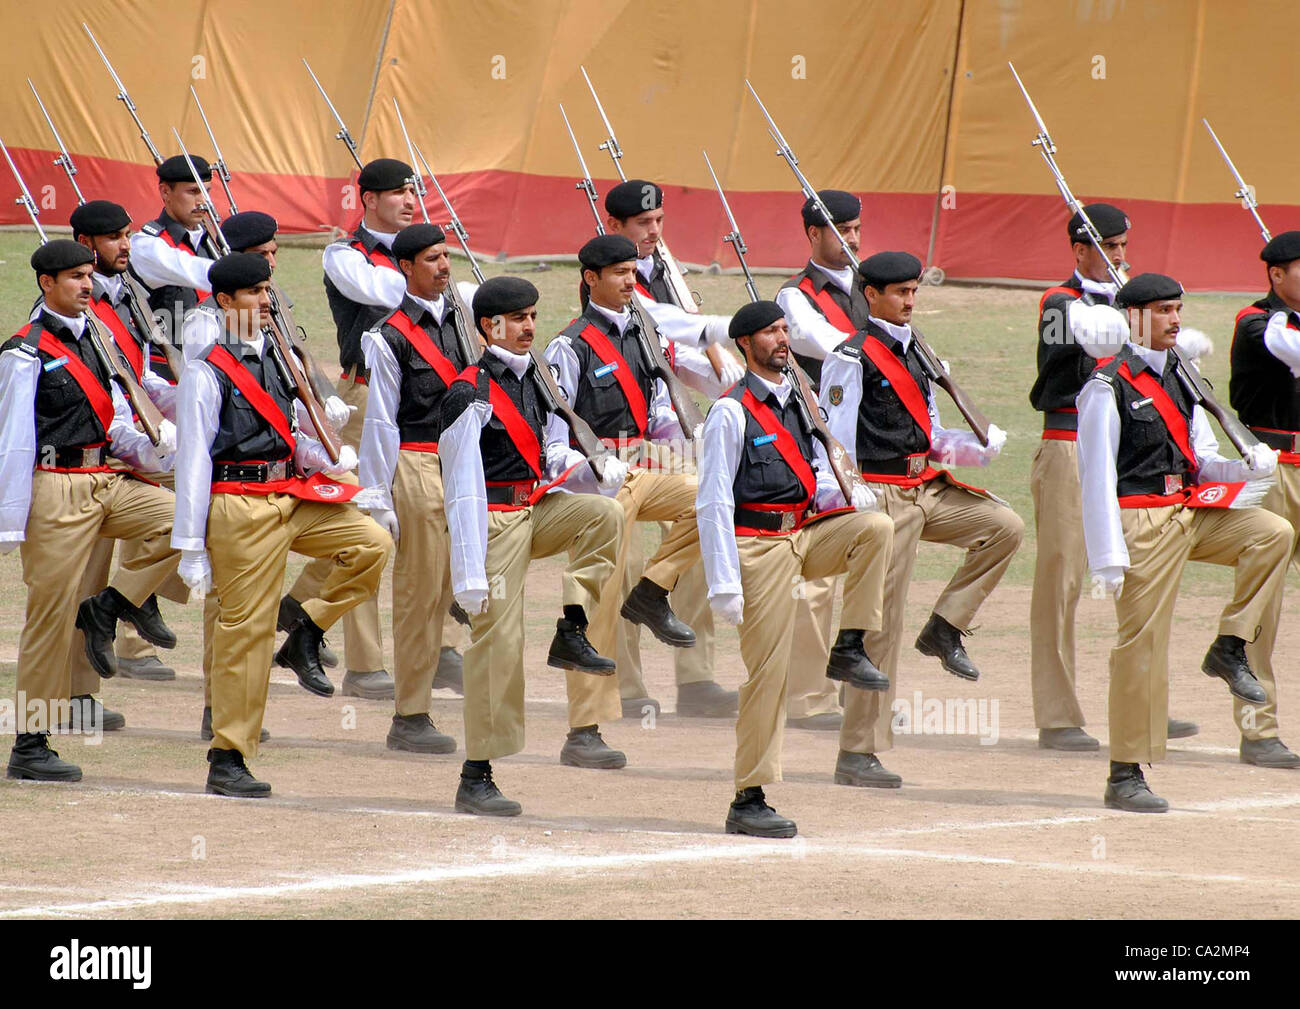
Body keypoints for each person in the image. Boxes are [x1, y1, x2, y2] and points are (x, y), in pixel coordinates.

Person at [172, 253, 392, 796]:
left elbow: (290, 434)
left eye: (268, 291)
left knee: (371, 542)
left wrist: (324, 456)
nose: (265, 302)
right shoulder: (205, 370)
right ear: (225, 302)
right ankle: (229, 755)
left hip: (289, 493)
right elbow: (194, 461)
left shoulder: (278, 360)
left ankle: (305, 629)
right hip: (239, 505)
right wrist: (190, 545)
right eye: (253, 294)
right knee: (243, 634)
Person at [1078, 272, 1290, 810]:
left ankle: (1229, 645)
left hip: (1191, 510)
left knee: (1273, 533)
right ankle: (1124, 770)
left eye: (1178, 309)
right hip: (1142, 519)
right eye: (1164, 310)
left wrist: (1245, 466)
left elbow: (1200, 458)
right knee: (1140, 644)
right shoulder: (1107, 386)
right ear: (1135, 317)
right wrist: (1106, 554)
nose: (1175, 319)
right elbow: (1096, 476)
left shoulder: (1185, 376)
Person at [821, 252, 1023, 788]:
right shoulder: (850, 357)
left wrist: (975, 448)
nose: (910, 301)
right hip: (879, 493)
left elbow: (931, 434)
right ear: (871, 295)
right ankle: (857, 750)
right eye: (899, 292)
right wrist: (849, 498)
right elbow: (835, 440)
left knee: (1004, 526)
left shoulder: (920, 354)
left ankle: (945, 628)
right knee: (879, 623)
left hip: (923, 486)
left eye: (914, 291)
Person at [697, 301, 894, 836]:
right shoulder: (730, 412)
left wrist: (853, 497)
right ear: (745, 343)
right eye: (769, 332)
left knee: (874, 529)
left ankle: (850, 645)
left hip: (801, 533)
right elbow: (712, 501)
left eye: (785, 330)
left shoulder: (799, 403)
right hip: (754, 545)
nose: (782, 339)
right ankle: (748, 796)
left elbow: (815, 472)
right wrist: (723, 582)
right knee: (770, 672)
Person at [440, 276, 625, 815]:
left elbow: (550, 450)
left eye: (532, 317)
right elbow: (461, 486)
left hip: (533, 507)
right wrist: (468, 569)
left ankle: (571, 626)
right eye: (517, 319)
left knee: (604, 514)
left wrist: (589, 470)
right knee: (497, 647)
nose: (528, 327)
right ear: (487, 327)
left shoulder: (536, 379)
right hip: (491, 520)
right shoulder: (466, 391)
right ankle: (477, 773)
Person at [1, 240, 179, 781]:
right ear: (46, 284)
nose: (86, 284)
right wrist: (11, 520)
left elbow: (119, 415)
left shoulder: (100, 341)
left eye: (89, 275)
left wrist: (154, 446)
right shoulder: (22, 352)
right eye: (75, 276)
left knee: (187, 522)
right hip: (54, 487)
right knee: (48, 621)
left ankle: (113, 605)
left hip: (107, 477)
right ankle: (31, 743)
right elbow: (12, 441)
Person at [1030, 205, 1199, 749]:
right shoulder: (1059, 303)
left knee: (1147, 574)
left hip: (1132, 454)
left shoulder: (1134, 300)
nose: (1119, 255)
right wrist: (1132, 312)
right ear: (1079, 250)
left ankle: (1144, 697)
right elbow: (1098, 335)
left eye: (1124, 245)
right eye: (1108, 246)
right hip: (1066, 443)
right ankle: (1057, 714)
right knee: (1063, 578)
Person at [546, 234, 704, 768]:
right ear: (590, 278)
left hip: (643, 464)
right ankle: (583, 731)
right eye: (618, 272)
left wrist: (685, 434)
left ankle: (654, 592)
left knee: (707, 500)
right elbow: (555, 433)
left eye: (633, 271)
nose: (630, 280)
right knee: (596, 605)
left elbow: (658, 407)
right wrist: (589, 467)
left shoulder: (642, 334)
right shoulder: (569, 347)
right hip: (595, 480)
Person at [319, 158, 466, 696]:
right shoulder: (345, 255)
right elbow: (389, 293)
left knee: (445, 519)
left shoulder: (431, 258)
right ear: (369, 200)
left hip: (431, 398)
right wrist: (430, 273)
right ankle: (364, 661)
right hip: (365, 395)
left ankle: (443, 647)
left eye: (413, 192)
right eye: (398, 193)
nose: (409, 200)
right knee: (370, 526)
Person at [601, 179, 742, 720]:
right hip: (612, 441)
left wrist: (725, 375)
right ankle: (626, 685)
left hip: (665, 428)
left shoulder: (664, 265)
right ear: (615, 227)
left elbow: (674, 353)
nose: (655, 232)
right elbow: (671, 325)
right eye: (643, 225)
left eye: (659, 220)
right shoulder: (610, 272)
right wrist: (731, 333)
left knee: (706, 528)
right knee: (622, 558)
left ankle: (697, 676)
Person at [355, 222, 476, 754]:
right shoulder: (386, 336)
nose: (444, 267)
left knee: (456, 587)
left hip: (466, 465)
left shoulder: (466, 324)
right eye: (432, 259)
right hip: (416, 463)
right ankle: (410, 713)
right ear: (404, 268)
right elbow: (381, 422)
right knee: (420, 592)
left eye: (446, 256)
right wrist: (377, 496)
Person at [774, 189, 870, 731]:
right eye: (841, 229)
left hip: (866, 446)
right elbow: (826, 342)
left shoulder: (868, 287)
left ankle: (857, 698)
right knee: (816, 578)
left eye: (856, 228)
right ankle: (808, 698)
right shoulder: (796, 295)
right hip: (817, 443)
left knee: (867, 568)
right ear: (813, 234)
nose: (852, 239)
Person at [1223, 231, 1300, 769]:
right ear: (1276, 274)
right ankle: (1258, 729)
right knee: (1261, 605)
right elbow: (1287, 346)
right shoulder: (1257, 322)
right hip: (1274, 472)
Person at [128, 154, 218, 374]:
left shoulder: (215, 240)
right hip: (169, 371)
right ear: (165, 192)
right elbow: (190, 268)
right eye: (193, 192)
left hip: (219, 365)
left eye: (207, 191)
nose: (202, 201)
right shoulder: (148, 245)